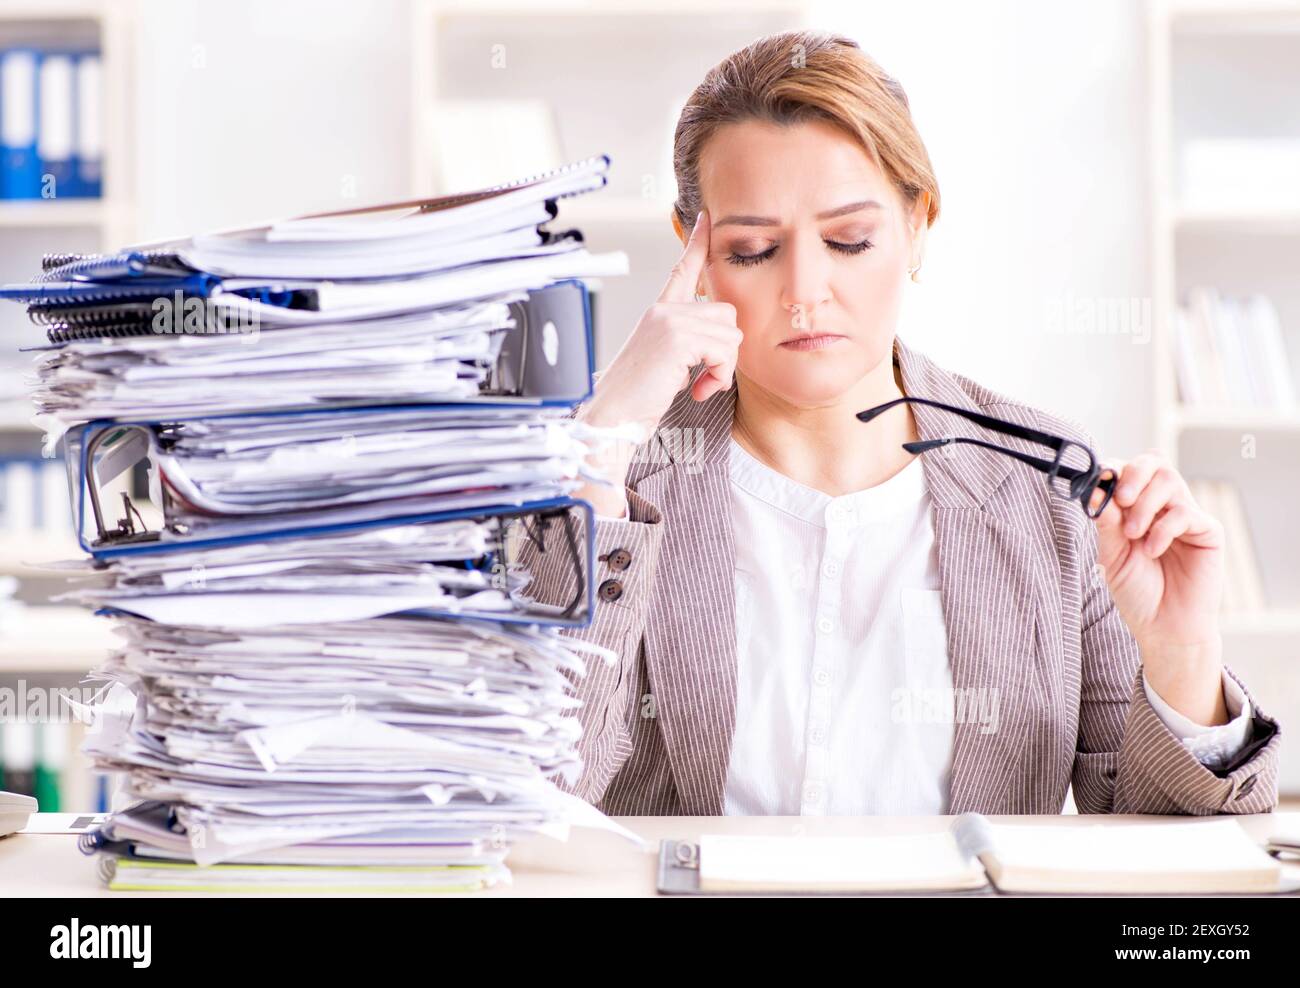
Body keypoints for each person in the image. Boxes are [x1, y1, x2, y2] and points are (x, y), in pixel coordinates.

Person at [519, 29, 1279, 816]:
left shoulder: (1050, 492)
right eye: (752, 250)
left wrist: (1182, 662)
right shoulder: (606, 480)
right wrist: (598, 444)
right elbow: (523, 808)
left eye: (849, 240)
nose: (804, 291)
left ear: (919, 224)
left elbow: (1158, 869)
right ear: (695, 253)